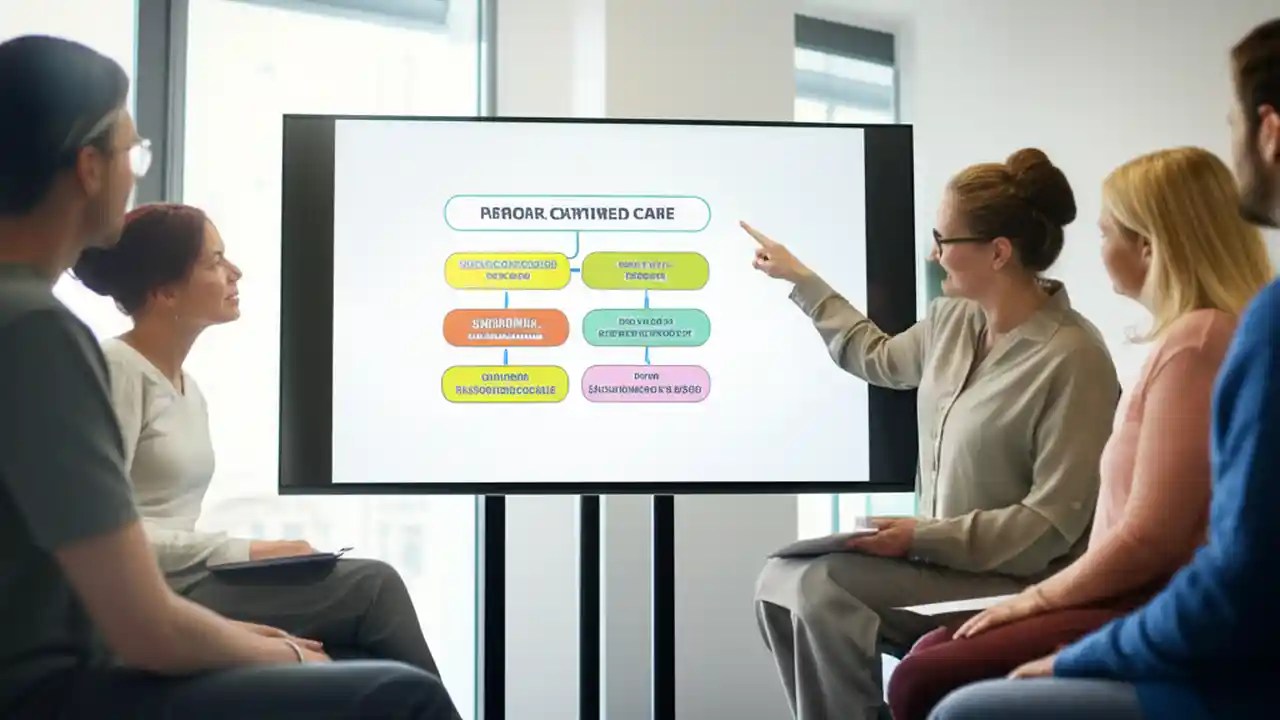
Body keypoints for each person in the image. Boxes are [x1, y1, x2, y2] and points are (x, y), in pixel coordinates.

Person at [0, 34, 457, 719]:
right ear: (89, 167)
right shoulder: (40, 334)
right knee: (402, 693)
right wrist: (286, 652)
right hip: (56, 685)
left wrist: (244, 634)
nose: (136, 174)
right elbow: (141, 625)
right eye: (134, 153)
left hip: (78, 649)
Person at [928, 17, 1280, 720]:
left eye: (1106, 234)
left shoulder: (1197, 342)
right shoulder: (1210, 334)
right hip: (1162, 615)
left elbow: (1176, 550)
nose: (936, 253)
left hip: (1188, 641)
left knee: (935, 689)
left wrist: (1054, 629)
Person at [746, 148, 1121, 720]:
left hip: (1018, 586)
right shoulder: (952, 321)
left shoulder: (1075, 359)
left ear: (998, 252)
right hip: (942, 570)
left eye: (944, 240)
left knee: (822, 589)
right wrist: (801, 278)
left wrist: (922, 538)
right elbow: (876, 357)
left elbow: (1049, 526)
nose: (933, 253)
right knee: (781, 579)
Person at [71, 201, 448, 676]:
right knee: (374, 588)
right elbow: (104, 538)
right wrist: (247, 550)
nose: (236, 273)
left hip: (185, 580)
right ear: (166, 292)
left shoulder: (188, 389)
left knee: (359, 651)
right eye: (215, 261)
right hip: (150, 595)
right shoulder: (119, 370)